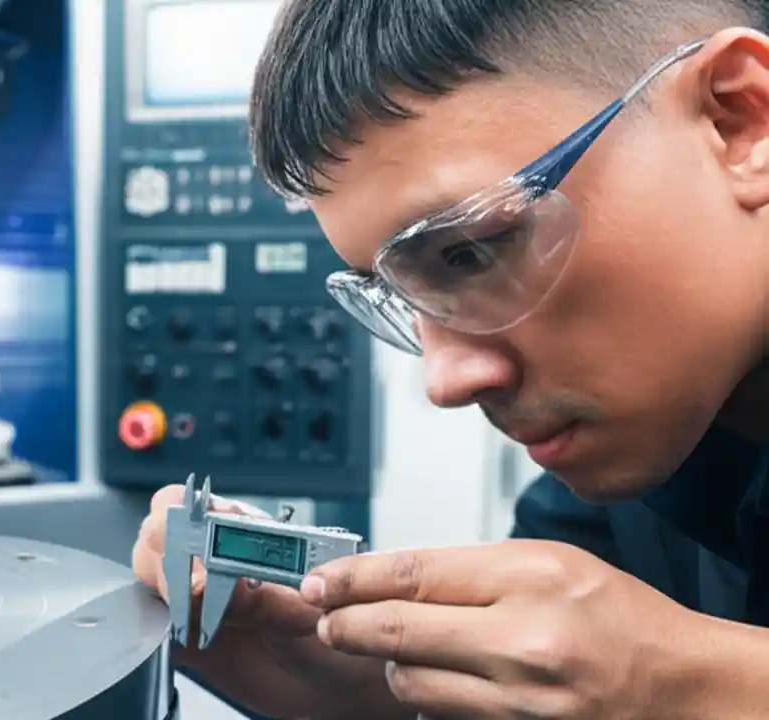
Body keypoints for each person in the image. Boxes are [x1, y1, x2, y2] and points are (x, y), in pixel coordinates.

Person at [131, 0, 769, 717]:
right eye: (399, 295)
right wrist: (338, 672)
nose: (447, 380)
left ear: (738, 121)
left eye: (471, 251)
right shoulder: (650, 443)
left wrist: (700, 688)